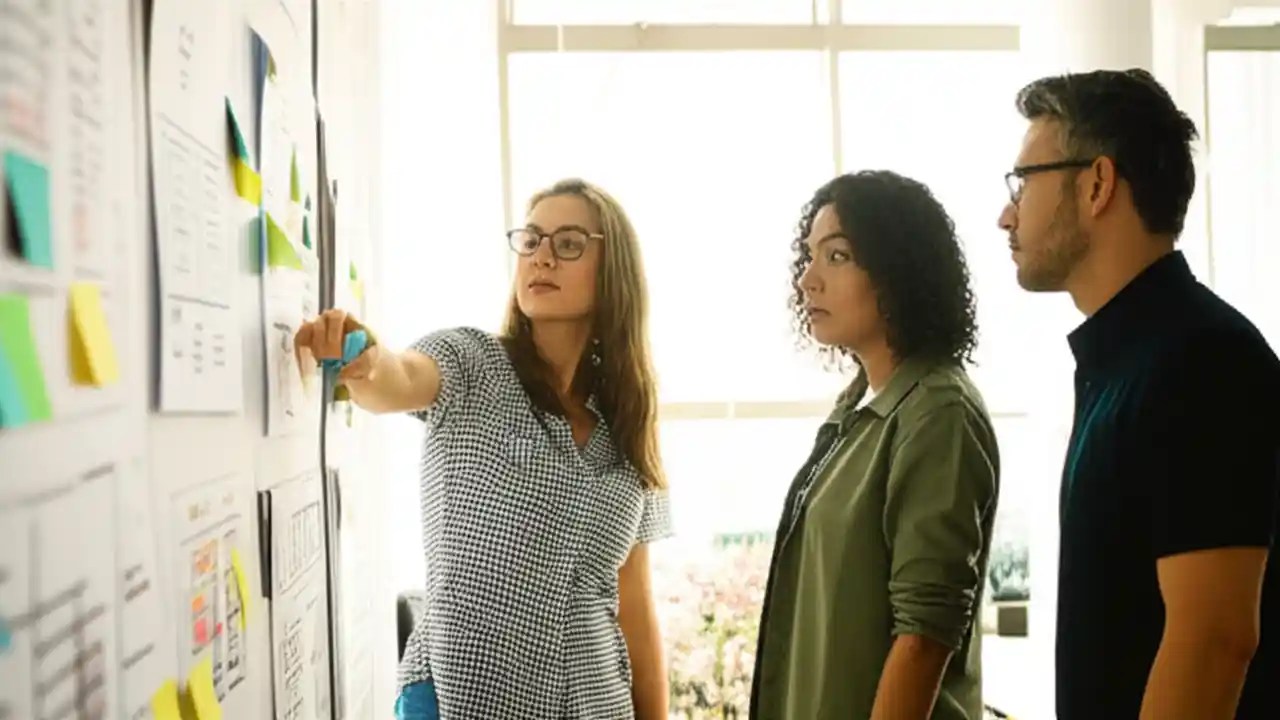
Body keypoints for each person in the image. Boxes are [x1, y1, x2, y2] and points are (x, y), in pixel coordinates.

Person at [295, 178, 673, 720]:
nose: (542, 257)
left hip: (598, 703)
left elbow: (636, 607)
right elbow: (398, 378)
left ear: (613, 273)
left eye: (568, 243)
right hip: (458, 700)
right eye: (532, 240)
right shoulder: (471, 361)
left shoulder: (630, 424)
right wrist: (365, 359)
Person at [999, 68, 1280, 719]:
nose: (1006, 213)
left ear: (1096, 184)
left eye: (1024, 182)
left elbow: (1214, 639)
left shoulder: (1201, 361)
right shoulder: (1127, 365)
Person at [751, 170, 1001, 719]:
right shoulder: (860, 406)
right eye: (809, 257)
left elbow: (923, 638)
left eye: (837, 256)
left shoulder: (937, 412)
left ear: (898, 272)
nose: (808, 280)